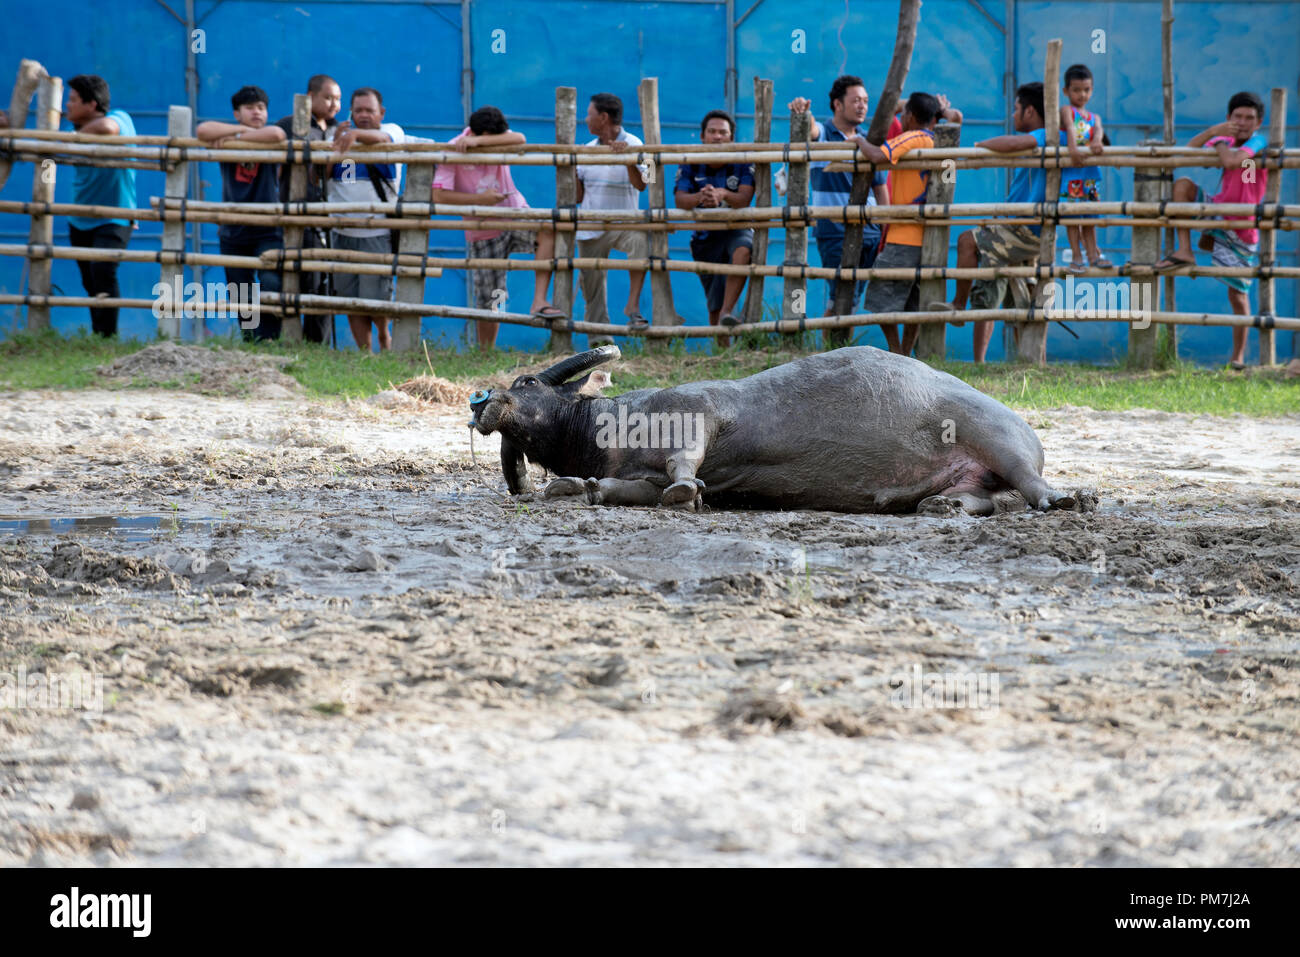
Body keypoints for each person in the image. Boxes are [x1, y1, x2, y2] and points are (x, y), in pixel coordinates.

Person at [933, 82, 1068, 363]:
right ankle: (1023, 361)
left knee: (966, 241)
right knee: (1018, 296)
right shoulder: (1046, 139)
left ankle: (958, 304)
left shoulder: (1044, 136)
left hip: (1024, 230)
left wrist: (982, 147)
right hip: (1016, 228)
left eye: (1017, 109)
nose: (1013, 114)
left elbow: (1015, 143)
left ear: (1030, 111)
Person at [431, 106, 563, 350]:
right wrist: (481, 200)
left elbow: (519, 138)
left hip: (515, 213)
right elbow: (439, 195)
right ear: (480, 132)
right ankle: (486, 350)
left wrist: (479, 141)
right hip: (483, 229)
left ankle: (539, 300)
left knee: (548, 230)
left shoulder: (494, 136)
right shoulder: (453, 148)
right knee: (492, 297)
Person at [1156, 91, 1268, 369]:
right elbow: (1184, 156)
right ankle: (1184, 250)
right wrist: (1212, 133)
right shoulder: (1226, 140)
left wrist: (1218, 144)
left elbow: (1234, 161)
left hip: (1242, 225)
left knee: (1237, 294)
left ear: (1259, 122)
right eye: (1237, 117)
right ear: (1228, 118)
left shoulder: (1259, 142)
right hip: (1218, 211)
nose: (1242, 122)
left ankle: (1237, 358)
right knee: (1181, 185)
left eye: (1249, 118)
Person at [787, 75, 889, 326]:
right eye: (855, 100)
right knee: (839, 296)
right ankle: (833, 352)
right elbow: (810, 127)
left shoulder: (869, 139)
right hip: (834, 230)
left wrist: (887, 225)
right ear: (837, 104)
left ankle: (839, 350)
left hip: (871, 230)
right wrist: (804, 111)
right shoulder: (824, 133)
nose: (862, 106)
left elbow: (880, 187)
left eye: (865, 101)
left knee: (853, 298)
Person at [196, 85, 287, 341]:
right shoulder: (228, 137)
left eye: (261, 108)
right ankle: (251, 338)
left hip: (269, 227)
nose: (257, 112)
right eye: (249, 108)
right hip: (233, 227)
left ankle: (269, 338)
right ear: (237, 113)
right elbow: (202, 130)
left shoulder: (265, 138)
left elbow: (278, 134)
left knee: (271, 283)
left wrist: (237, 137)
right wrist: (242, 132)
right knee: (240, 289)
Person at [857, 92, 943, 355]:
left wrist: (859, 140)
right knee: (914, 301)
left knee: (881, 297)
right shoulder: (939, 139)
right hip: (928, 238)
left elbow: (877, 155)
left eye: (904, 113)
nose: (901, 117)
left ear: (913, 117)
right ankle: (905, 352)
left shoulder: (914, 136)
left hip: (904, 236)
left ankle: (898, 352)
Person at [326, 87, 406, 353]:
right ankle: (364, 352)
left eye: (369, 110)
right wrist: (334, 144)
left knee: (376, 298)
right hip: (342, 232)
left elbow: (383, 138)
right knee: (351, 299)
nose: (363, 115)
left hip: (378, 233)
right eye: (358, 110)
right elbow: (320, 174)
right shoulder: (336, 136)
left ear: (381, 113)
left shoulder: (393, 131)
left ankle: (384, 338)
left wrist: (355, 135)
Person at [674, 109, 755, 348]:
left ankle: (728, 312)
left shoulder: (742, 159)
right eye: (712, 132)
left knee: (744, 249)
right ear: (702, 136)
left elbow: (744, 198)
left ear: (731, 137)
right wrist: (701, 197)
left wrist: (723, 194)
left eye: (723, 132)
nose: (717, 137)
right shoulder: (690, 160)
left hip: (735, 228)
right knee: (713, 300)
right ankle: (723, 351)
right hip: (705, 236)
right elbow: (680, 199)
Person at [64, 75, 137, 338]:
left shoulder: (120, 117)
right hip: (80, 217)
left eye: (73, 100)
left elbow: (107, 128)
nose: (68, 105)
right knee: (89, 280)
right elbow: (47, 159)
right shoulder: (70, 131)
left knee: (103, 269)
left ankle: (107, 338)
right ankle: (98, 336)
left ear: (91, 104)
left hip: (116, 216)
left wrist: (73, 138)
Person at [274, 74, 342, 344]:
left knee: (327, 282)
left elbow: (345, 175)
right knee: (302, 278)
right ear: (310, 97)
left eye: (338, 98)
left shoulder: (340, 130)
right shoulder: (292, 125)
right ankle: (292, 337)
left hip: (331, 216)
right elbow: (276, 166)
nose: (334, 103)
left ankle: (318, 343)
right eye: (328, 97)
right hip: (299, 214)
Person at [575, 93, 648, 341]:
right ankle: (599, 340)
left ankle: (633, 306)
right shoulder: (585, 150)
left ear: (603, 117)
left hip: (624, 223)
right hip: (590, 225)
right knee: (592, 288)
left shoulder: (636, 143)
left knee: (641, 241)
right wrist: (568, 169)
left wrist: (629, 160)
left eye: (589, 114)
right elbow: (576, 194)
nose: (586, 120)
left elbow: (647, 184)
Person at [1059, 64, 1109, 272]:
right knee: (1072, 216)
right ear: (1066, 91)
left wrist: (1097, 142)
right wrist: (1073, 149)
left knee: (1090, 215)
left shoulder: (1094, 117)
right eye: (1076, 90)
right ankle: (1076, 256)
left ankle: (1092, 255)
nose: (1082, 94)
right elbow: (1070, 127)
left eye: (1086, 90)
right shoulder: (1066, 111)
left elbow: (1098, 132)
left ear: (1092, 90)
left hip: (1089, 174)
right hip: (1072, 173)